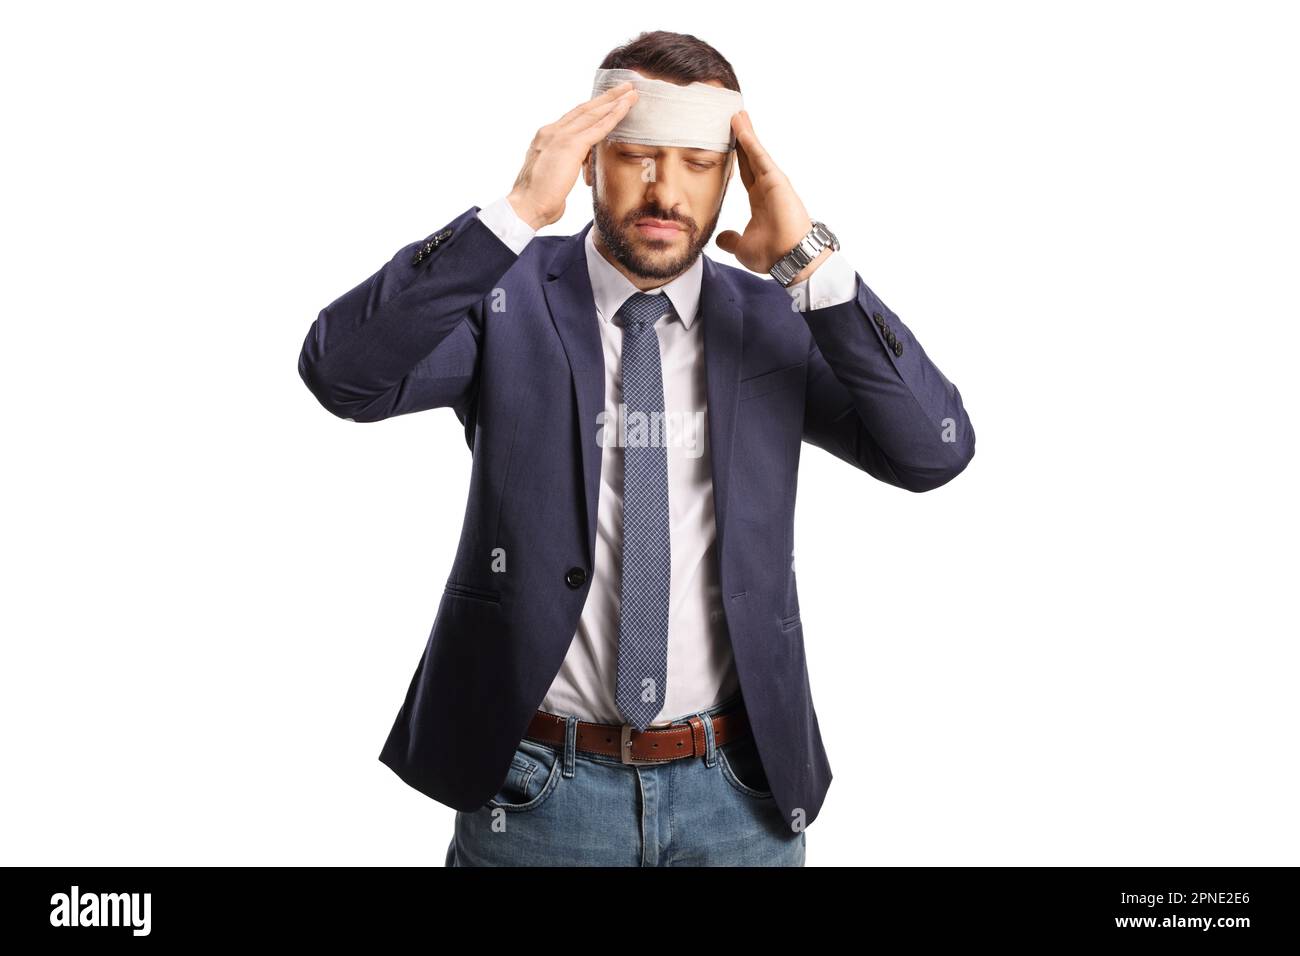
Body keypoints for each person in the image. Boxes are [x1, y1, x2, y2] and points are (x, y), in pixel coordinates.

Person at [297, 30, 975, 866]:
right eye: (635, 155)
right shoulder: (502, 297)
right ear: (585, 162)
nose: (664, 190)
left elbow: (933, 451)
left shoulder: (773, 320)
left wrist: (811, 268)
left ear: (732, 179)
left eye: (697, 162)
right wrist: (511, 218)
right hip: (538, 792)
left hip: (739, 798)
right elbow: (341, 375)